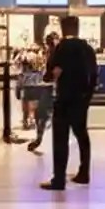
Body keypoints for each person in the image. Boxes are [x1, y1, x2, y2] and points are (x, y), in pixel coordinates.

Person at [40, 15, 98, 191]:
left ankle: (59, 179)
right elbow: (95, 74)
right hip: (82, 98)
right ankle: (84, 172)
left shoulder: (62, 47)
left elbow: (52, 74)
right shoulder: (88, 48)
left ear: (63, 28)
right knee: (82, 134)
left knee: (60, 137)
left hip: (65, 97)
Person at [27, 33, 59, 153]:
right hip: (50, 87)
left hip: (50, 88)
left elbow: (50, 73)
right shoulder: (51, 53)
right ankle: (39, 138)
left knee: (41, 113)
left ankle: (39, 138)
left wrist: (45, 79)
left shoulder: (54, 54)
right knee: (42, 113)